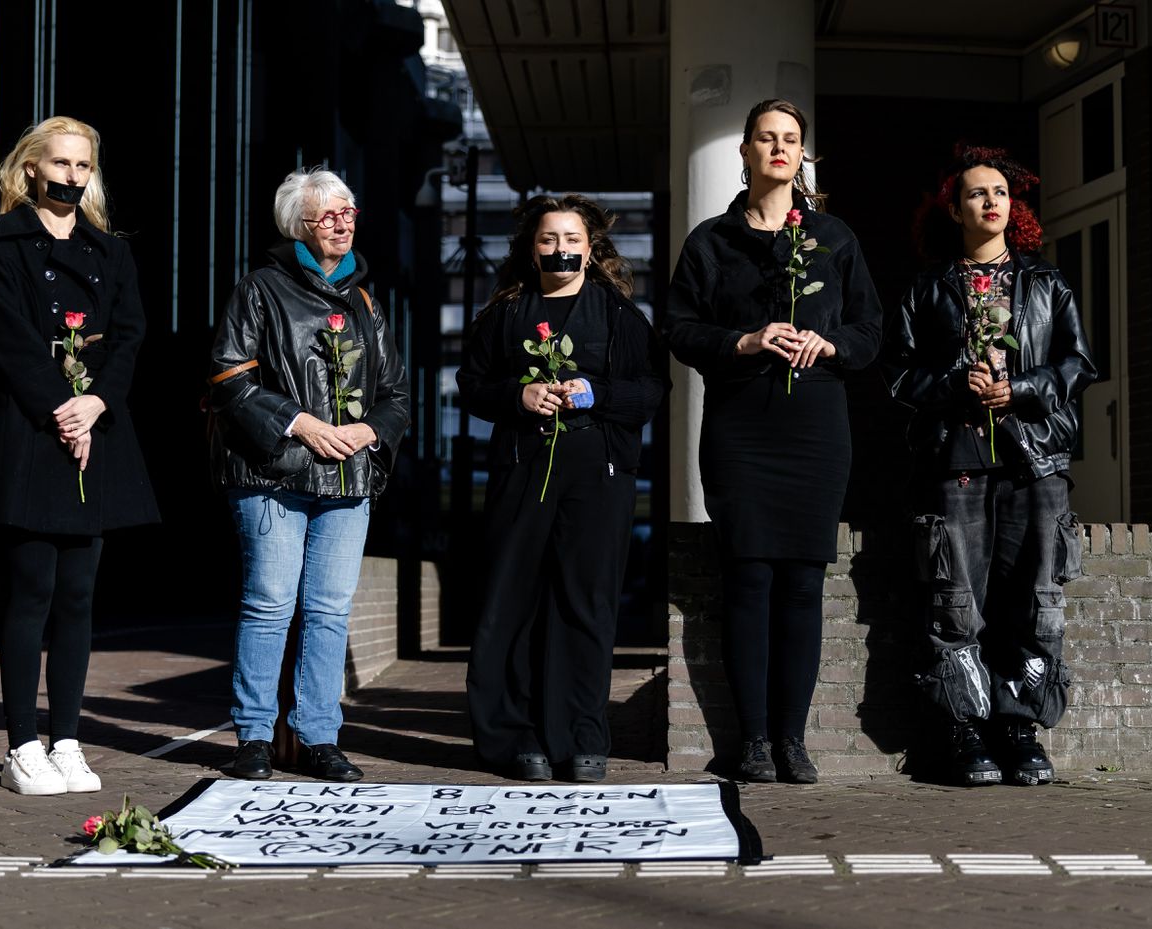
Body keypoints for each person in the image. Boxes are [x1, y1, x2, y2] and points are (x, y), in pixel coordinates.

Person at [663, 99, 882, 784]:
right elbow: (677, 328)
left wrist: (832, 341)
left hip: (816, 432)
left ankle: (793, 739)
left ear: (801, 154)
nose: (779, 148)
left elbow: (870, 333)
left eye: (791, 139)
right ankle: (753, 741)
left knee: (801, 585)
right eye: (767, 138)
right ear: (747, 152)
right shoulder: (710, 242)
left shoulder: (835, 239)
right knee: (749, 578)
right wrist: (744, 339)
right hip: (741, 430)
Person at [884, 144, 1096, 786]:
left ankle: (1020, 727)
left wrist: (1022, 389)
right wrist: (955, 383)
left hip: (1035, 457)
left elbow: (1077, 363)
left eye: (1001, 192)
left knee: (1033, 596)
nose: (991, 201)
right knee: (957, 598)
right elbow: (897, 377)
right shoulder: (926, 289)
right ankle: (966, 731)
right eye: (977, 193)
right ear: (953, 207)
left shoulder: (1047, 282)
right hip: (957, 458)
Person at [0, 116, 159, 795]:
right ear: (29, 168)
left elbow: (130, 336)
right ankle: (22, 746)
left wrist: (96, 404)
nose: (72, 177)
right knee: (33, 588)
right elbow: (8, 334)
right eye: (61, 164)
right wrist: (61, 407)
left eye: (83, 166)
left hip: (96, 429)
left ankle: (68, 739)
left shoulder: (111, 251)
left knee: (79, 594)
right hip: (32, 426)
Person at [209, 167, 409, 783]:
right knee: (269, 606)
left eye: (349, 213)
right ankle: (253, 737)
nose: (343, 224)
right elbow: (227, 377)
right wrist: (298, 423)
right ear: (299, 225)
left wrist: (369, 432)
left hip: (349, 479)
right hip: (274, 473)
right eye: (329, 216)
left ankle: (320, 737)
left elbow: (397, 394)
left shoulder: (368, 300)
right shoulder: (260, 289)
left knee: (328, 612)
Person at [456, 194, 666, 783]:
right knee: (511, 602)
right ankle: (512, 738)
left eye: (572, 239)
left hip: (599, 480)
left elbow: (652, 392)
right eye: (548, 239)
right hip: (522, 472)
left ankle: (580, 737)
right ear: (531, 247)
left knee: (585, 604)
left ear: (591, 248)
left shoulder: (620, 316)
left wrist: (596, 393)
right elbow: (471, 384)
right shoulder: (504, 313)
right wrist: (515, 397)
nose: (560, 249)